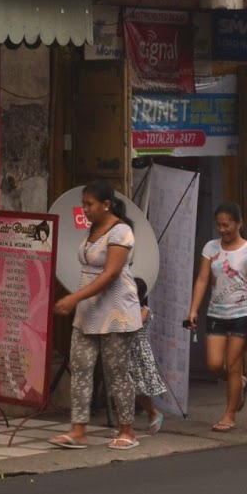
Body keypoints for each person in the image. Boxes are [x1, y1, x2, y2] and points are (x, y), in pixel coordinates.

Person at [49, 181, 142, 450]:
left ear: (106, 205)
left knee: (116, 371)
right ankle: (78, 431)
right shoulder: (92, 230)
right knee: (80, 368)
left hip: (116, 311)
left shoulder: (121, 231)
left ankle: (127, 431)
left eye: (89, 204)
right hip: (88, 311)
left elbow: (111, 273)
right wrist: (80, 301)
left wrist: (74, 297)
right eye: (84, 204)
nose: (85, 209)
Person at [187, 202, 247, 432]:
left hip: (242, 314)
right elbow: (202, 279)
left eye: (227, 225)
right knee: (214, 364)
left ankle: (229, 415)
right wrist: (193, 309)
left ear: (239, 223)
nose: (223, 230)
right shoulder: (211, 248)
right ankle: (239, 383)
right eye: (219, 225)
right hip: (215, 313)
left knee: (233, 365)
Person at [129, 279, 167, 434]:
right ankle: (122, 426)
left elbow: (135, 323)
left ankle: (153, 412)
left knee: (138, 389)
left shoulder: (144, 310)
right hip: (125, 351)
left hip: (139, 353)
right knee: (124, 388)